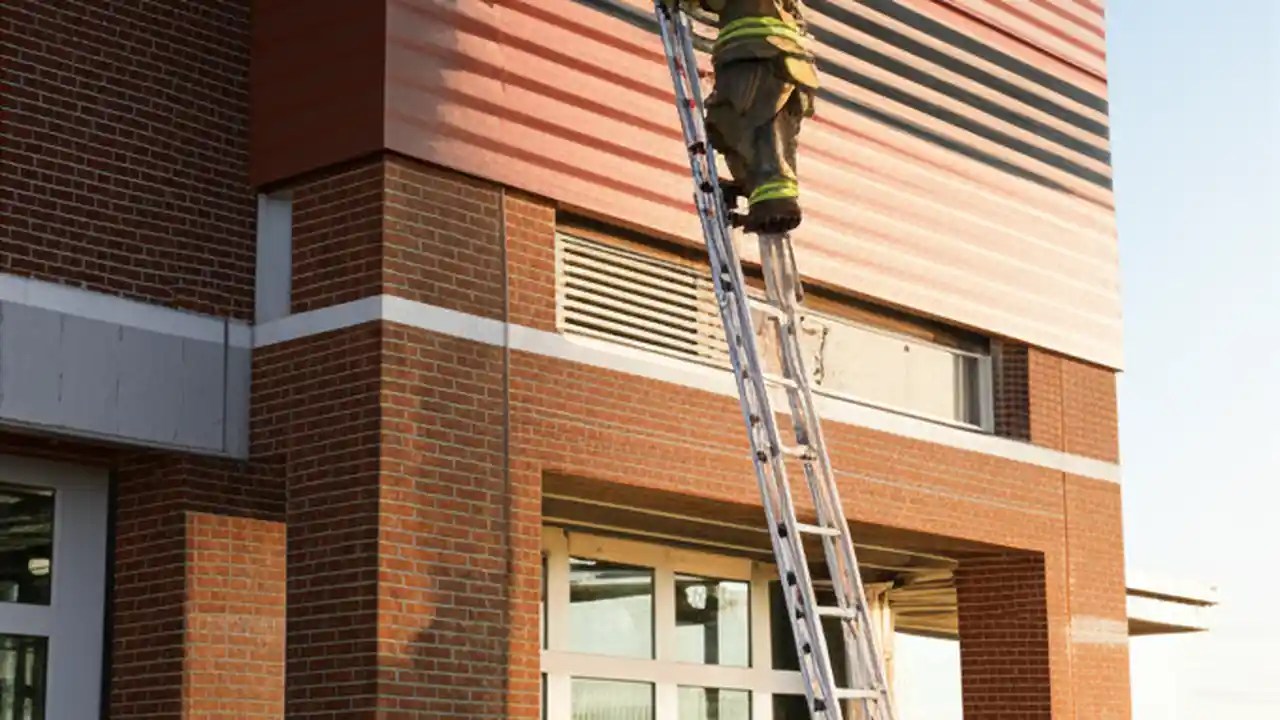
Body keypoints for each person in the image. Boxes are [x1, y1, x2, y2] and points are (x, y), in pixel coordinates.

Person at [665, 0, 820, 234]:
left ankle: (773, 203)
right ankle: (757, 190)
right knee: (739, 129)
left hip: (756, 54)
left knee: (755, 128)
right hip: (774, 54)